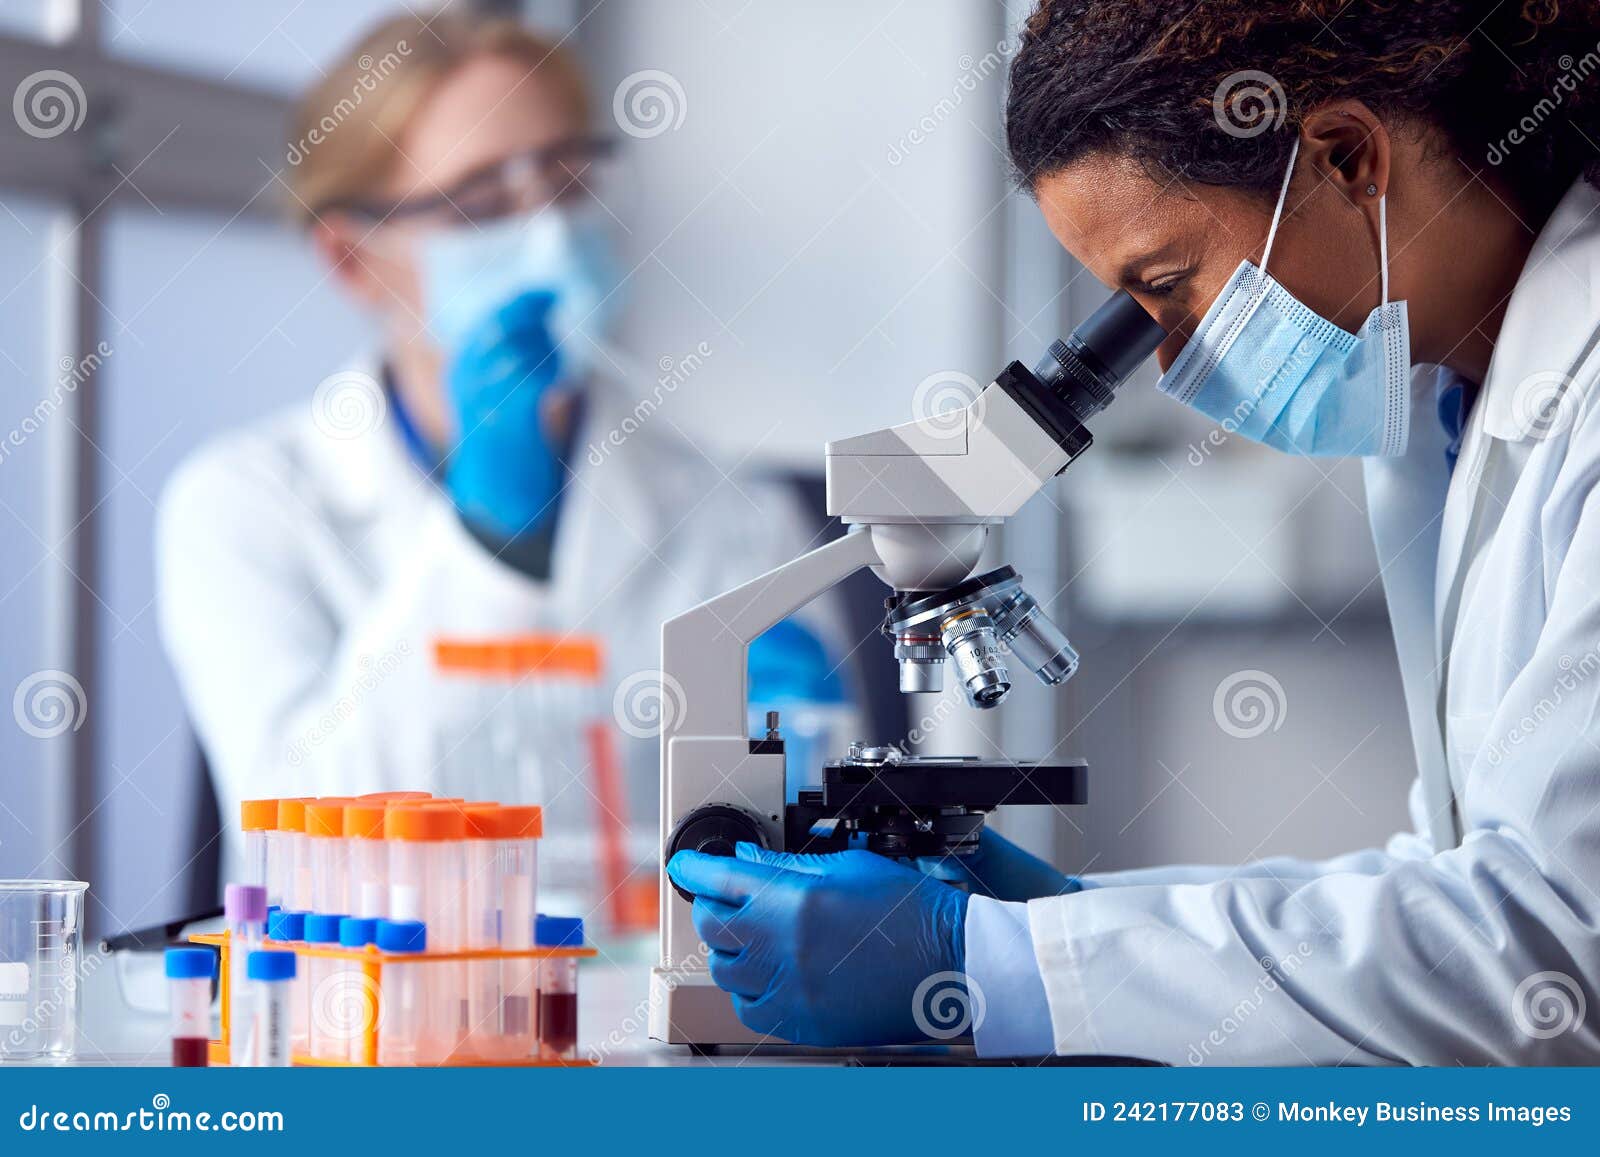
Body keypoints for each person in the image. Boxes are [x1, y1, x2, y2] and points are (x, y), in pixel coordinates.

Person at [668, 0, 1600, 1063]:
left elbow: (1550, 956)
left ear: (1347, 159)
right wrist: (1053, 926)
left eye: (1165, 286)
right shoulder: (1445, 415)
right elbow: (1450, 886)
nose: (1165, 361)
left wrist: (984, 965)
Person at [155, 13, 845, 898]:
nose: (549, 237)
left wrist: (796, 758)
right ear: (350, 257)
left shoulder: (731, 509)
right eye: (480, 208)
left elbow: (817, 861)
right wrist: (490, 545)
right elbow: (304, 853)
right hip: (380, 1018)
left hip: (656, 1024)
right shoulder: (245, 506)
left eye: (568, 186)